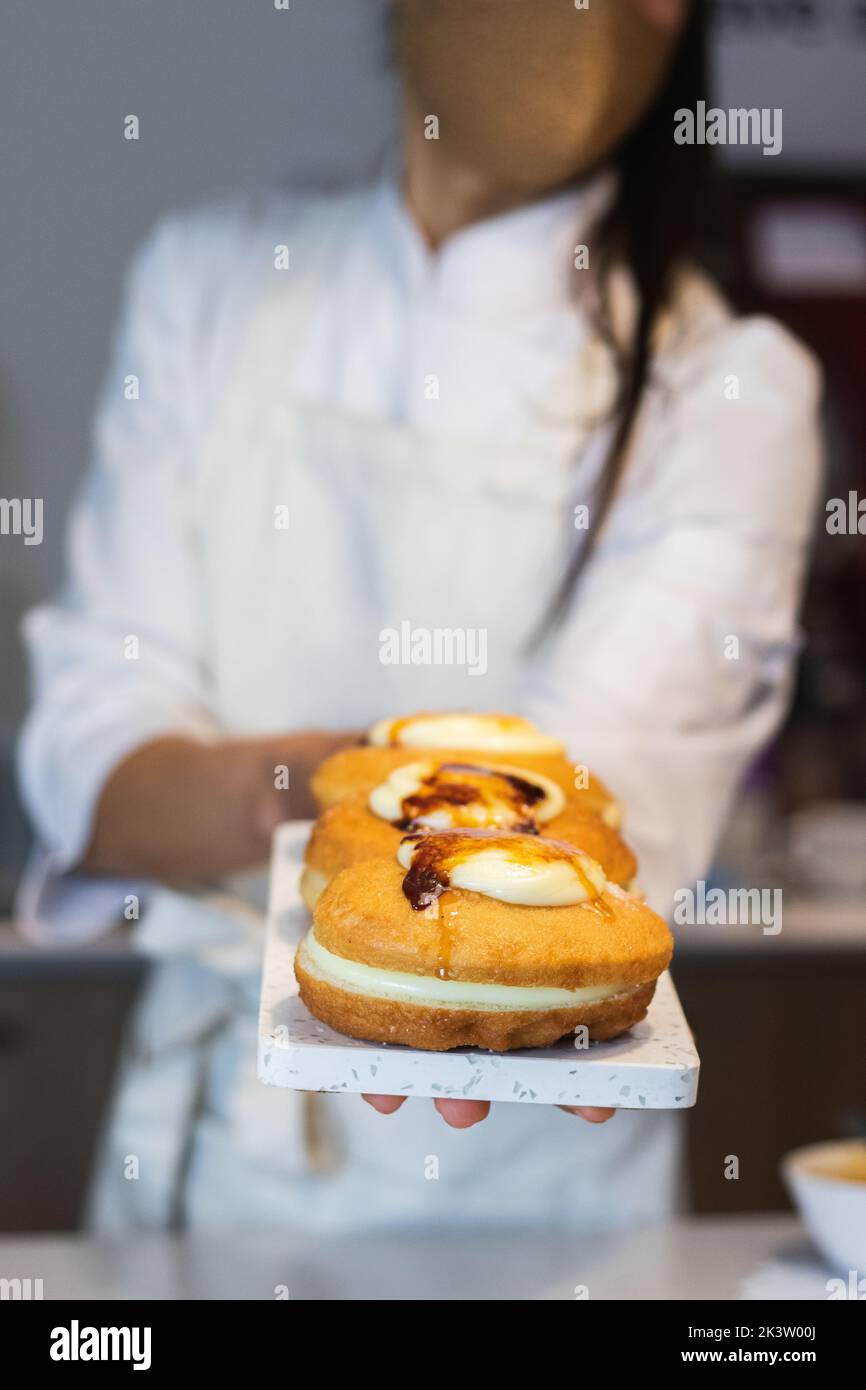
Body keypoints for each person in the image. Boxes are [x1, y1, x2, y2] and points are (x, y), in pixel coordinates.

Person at [17, 0, 821, 1231]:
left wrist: (300, 799)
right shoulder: (214, 280)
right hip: (194, 1156)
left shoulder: (727, 394)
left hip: (519, 1194)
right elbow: (95, 752)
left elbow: (576, 836)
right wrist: (355, 800)